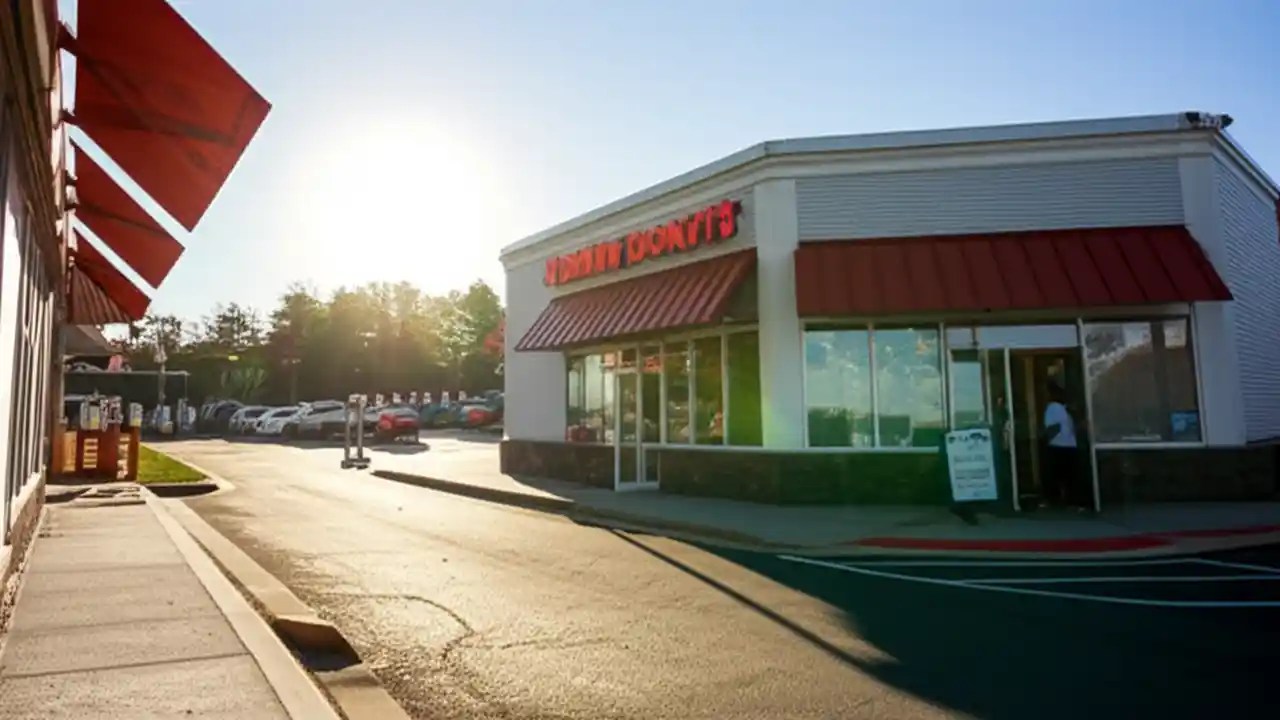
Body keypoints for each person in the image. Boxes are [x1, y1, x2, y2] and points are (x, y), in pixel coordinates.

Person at [1042, 382, 1083, 510]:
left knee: (1055, 475)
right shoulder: (1066, 410)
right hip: (1070, 445)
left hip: (1057, 445)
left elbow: (1053, 427)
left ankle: (1054, 500)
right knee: (1068, 475)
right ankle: (1070, 500)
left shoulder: (1053, 408)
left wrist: (1044, 440)